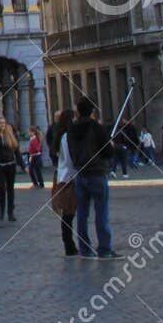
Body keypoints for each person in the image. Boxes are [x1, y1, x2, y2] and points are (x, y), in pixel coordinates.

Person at [67, 97, 114, 258]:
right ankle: (104, 249)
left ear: (78, 112)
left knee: (82, 214)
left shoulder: (71, 130)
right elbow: (108, 152)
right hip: (97, 173)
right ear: (92, 112)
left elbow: (71, 152)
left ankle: (85, 248)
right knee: (101, 212)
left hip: (81, 173)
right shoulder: (96, 128)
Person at [45, 109, 77, 257]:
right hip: (68, 177)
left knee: (68, 214)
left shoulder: (60, 135)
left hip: (63, 176)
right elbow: (70, 159)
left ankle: (69, 244)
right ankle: (69, 245)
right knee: (69, 213)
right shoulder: (66, 136)